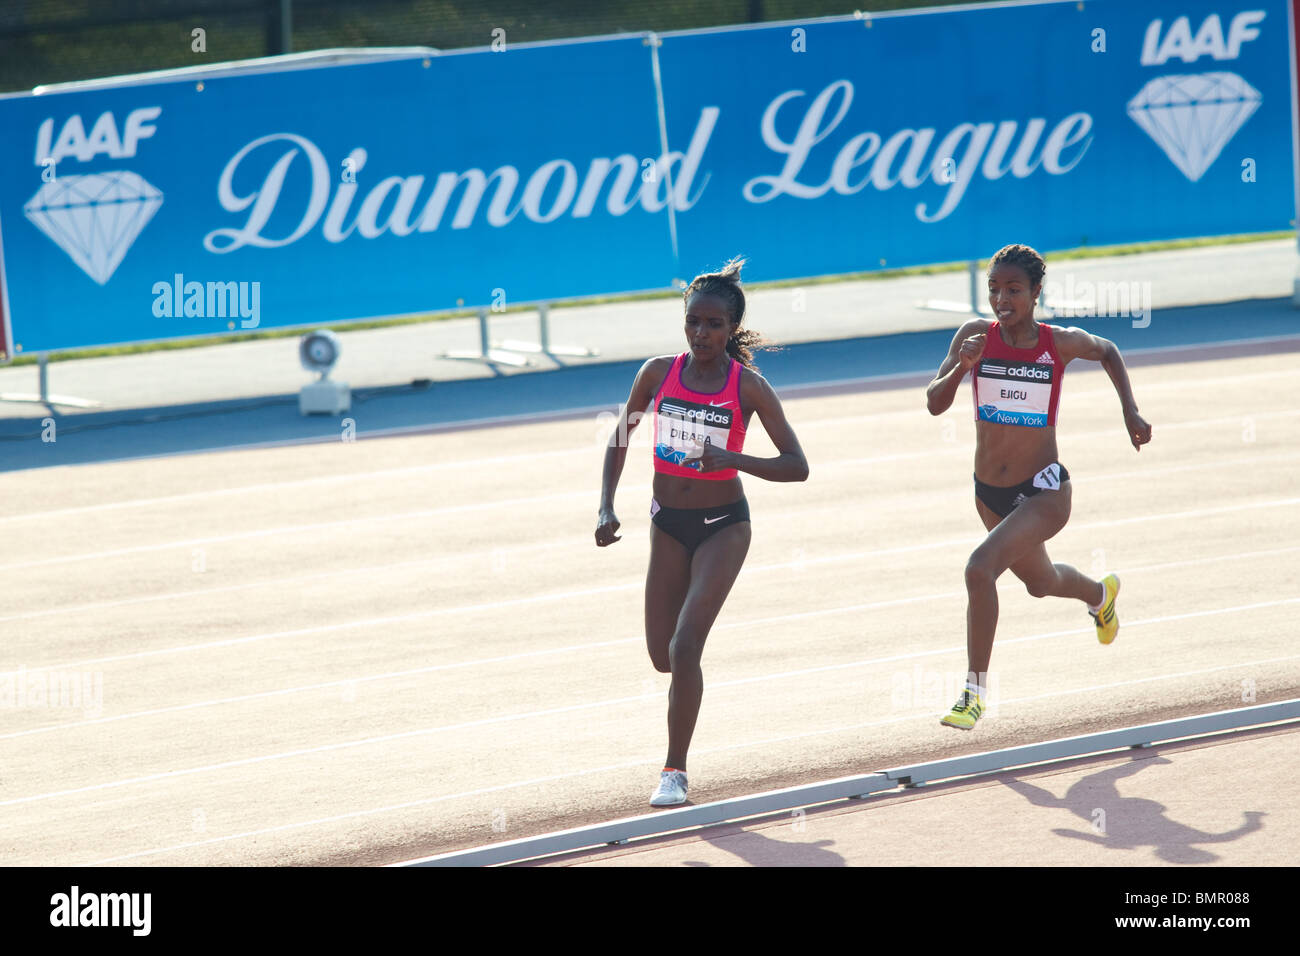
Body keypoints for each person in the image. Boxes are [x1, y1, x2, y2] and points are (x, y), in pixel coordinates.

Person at [595, 258, 809, 806]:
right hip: (666, 525)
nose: (702, 333)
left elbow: (796, 464)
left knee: (686, 647)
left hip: (723, 527)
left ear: (731, 328)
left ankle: (674, 771)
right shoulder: (655, 373)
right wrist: (605, 507)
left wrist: (732, 457)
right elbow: (619, 438)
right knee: (662, 657)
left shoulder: (749, 387)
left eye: (714, 325)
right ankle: (684, 702)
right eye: (694, 322)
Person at [925, 243, 1152, 730]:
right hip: (990, 493)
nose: (1001, 299)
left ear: (1035, 293)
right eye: (994, 289)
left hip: (1045, 490)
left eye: (1013, 290)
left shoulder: (1060, 343)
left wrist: (1129, 411)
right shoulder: (974, 336)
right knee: (1040, 584)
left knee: (978, 569)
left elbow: (1108, 350)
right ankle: (1099, 595)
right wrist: (963, 366)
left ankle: (973, 694)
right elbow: (933, 404)